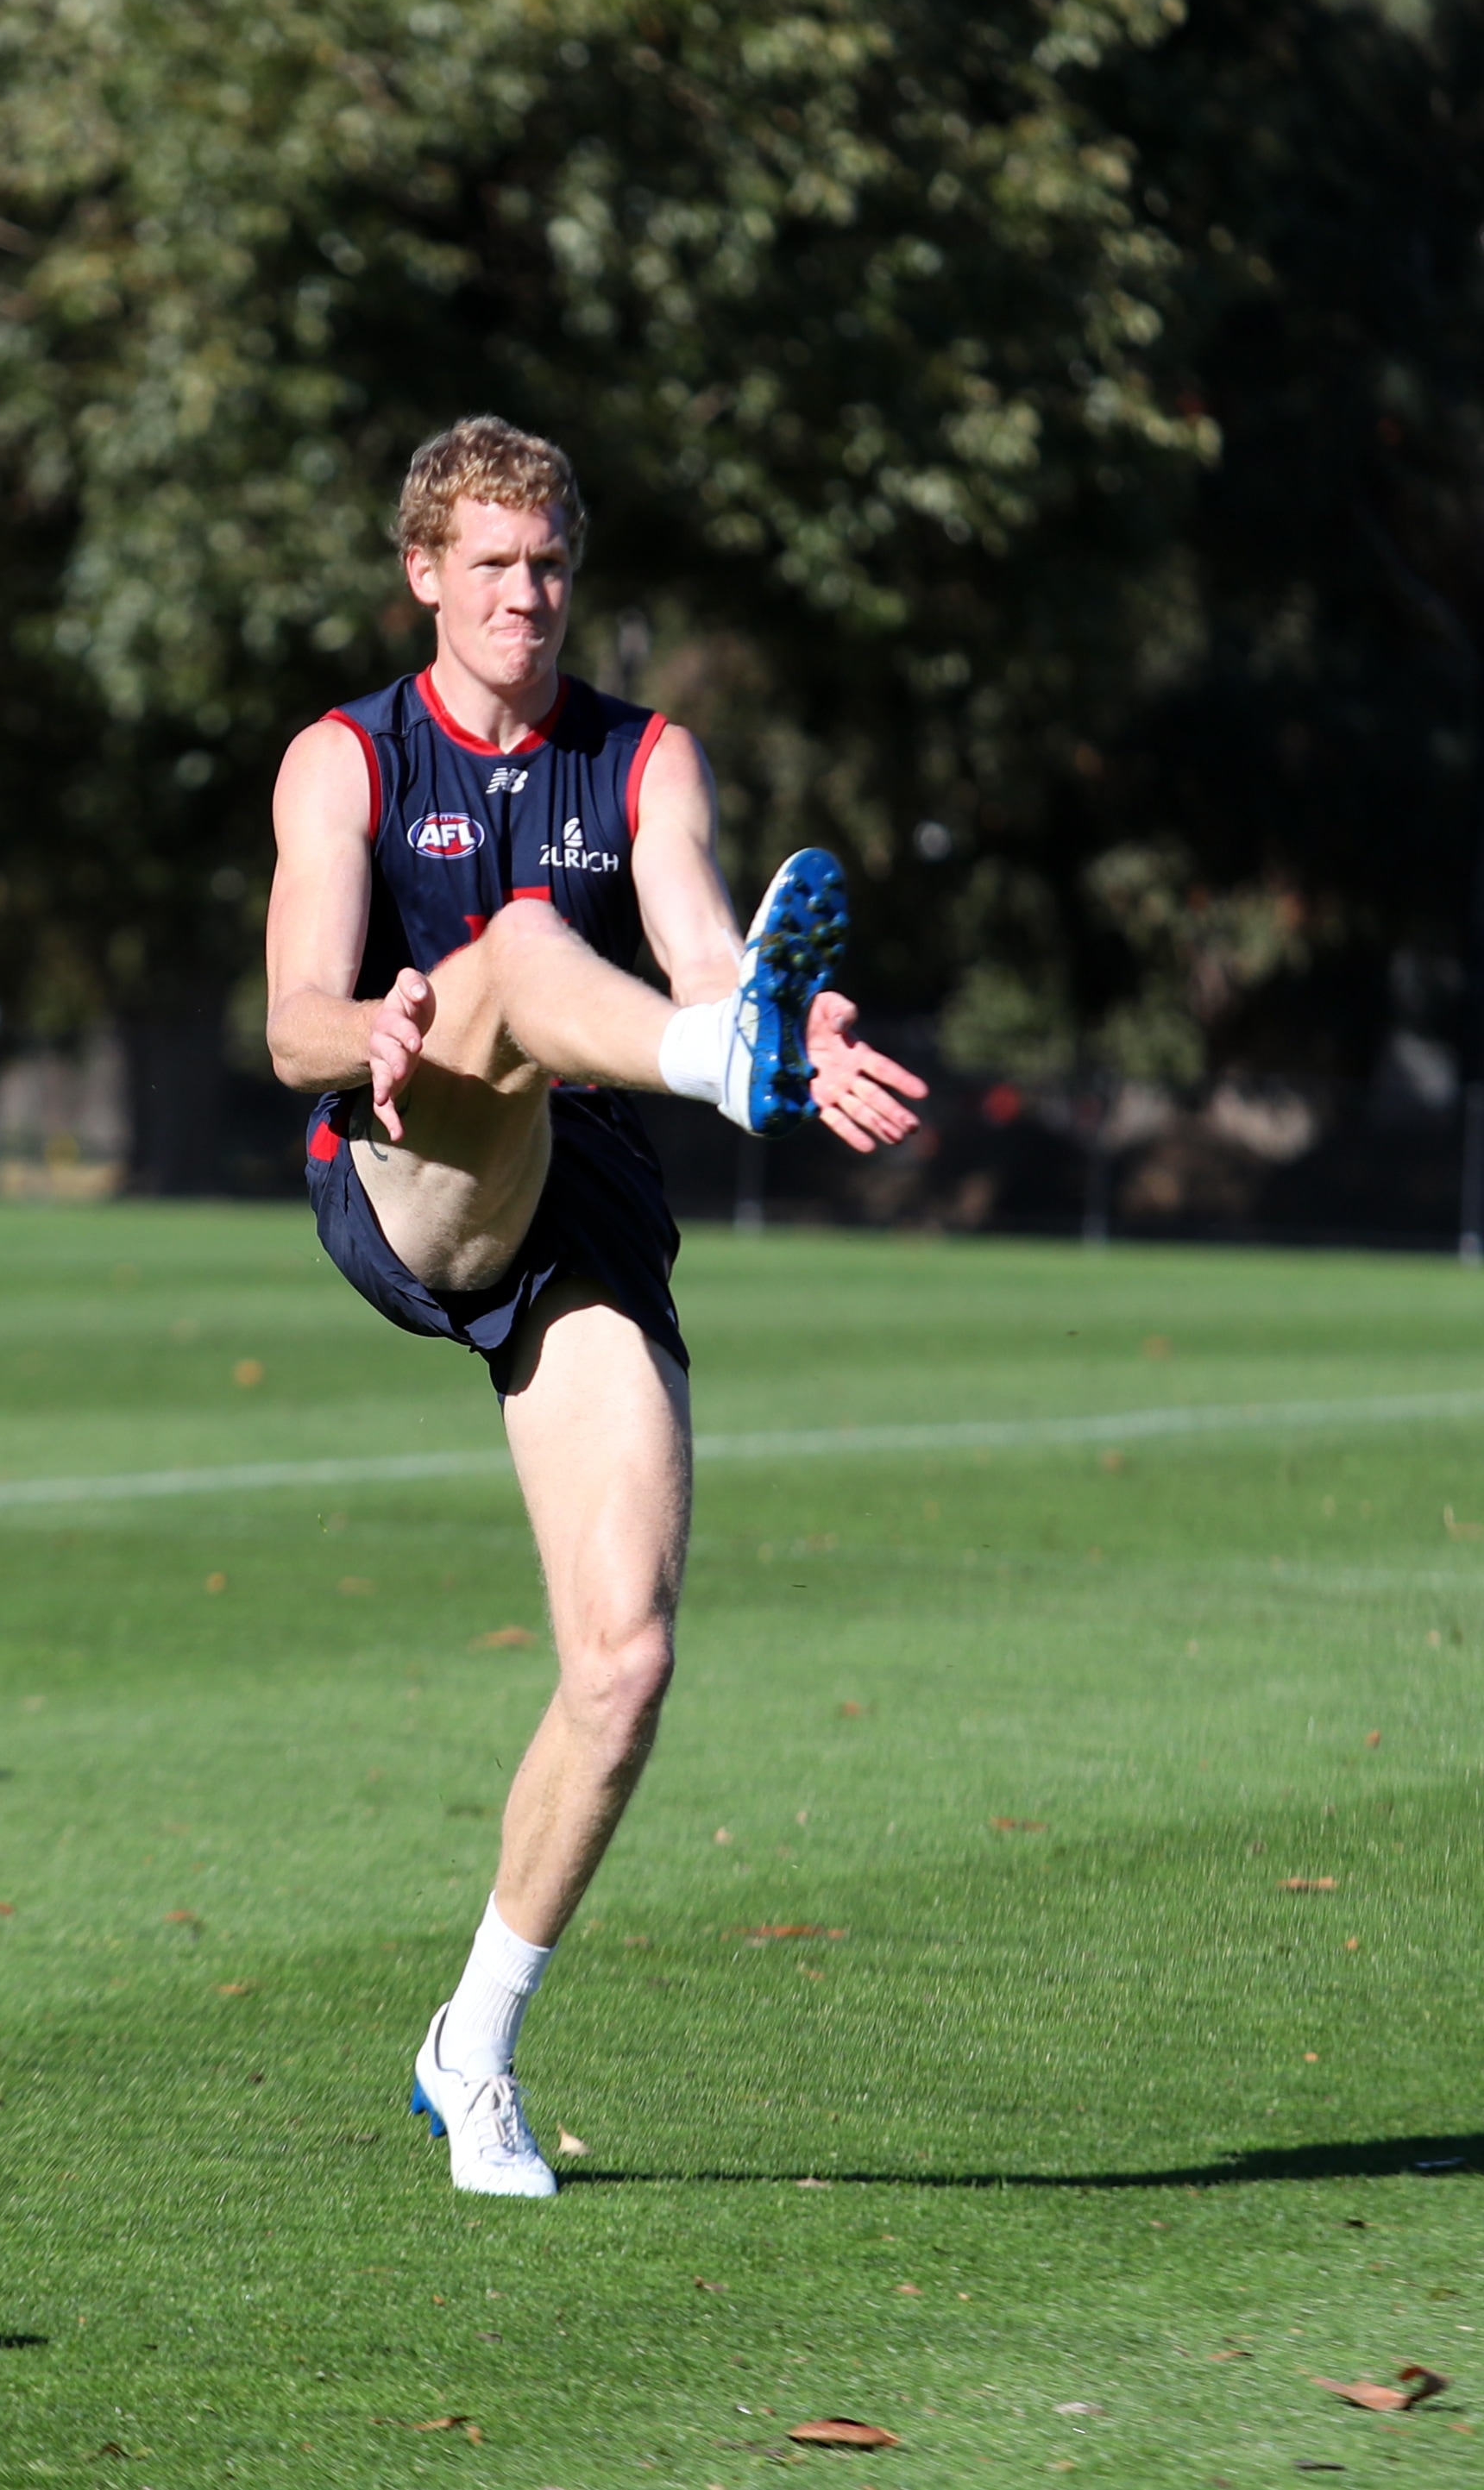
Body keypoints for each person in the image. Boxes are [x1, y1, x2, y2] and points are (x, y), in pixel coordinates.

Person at [264, 416, 928, 2194]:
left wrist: (765, 1017)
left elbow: (706, 936)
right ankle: (723, 1071)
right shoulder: (342, 760)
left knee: (624, 1662)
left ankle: (468, 2045)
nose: (526, 596)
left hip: (590, 1206)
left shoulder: (644, 760)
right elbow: (290, 1023)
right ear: (424, 572)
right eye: (490, 563)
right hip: (415, 1161)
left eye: (550, 564)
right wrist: (380, 1034)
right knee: (516, 961)